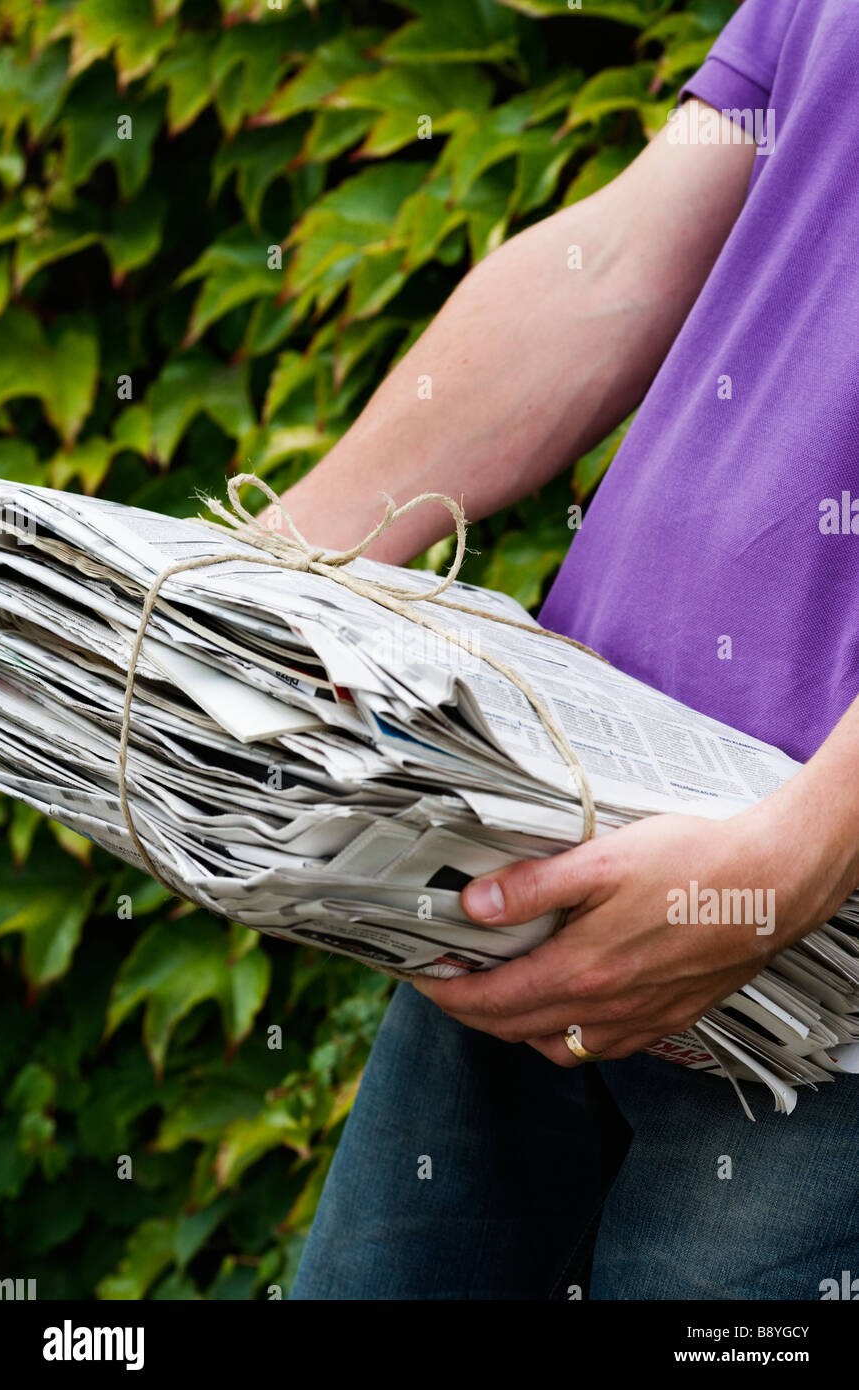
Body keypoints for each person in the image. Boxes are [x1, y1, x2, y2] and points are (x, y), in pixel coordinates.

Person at [274, 0, 859, 1299]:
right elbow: (627, 255)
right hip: (554, 819)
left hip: (830, 984)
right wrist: (269, 571)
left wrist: (797, 851)